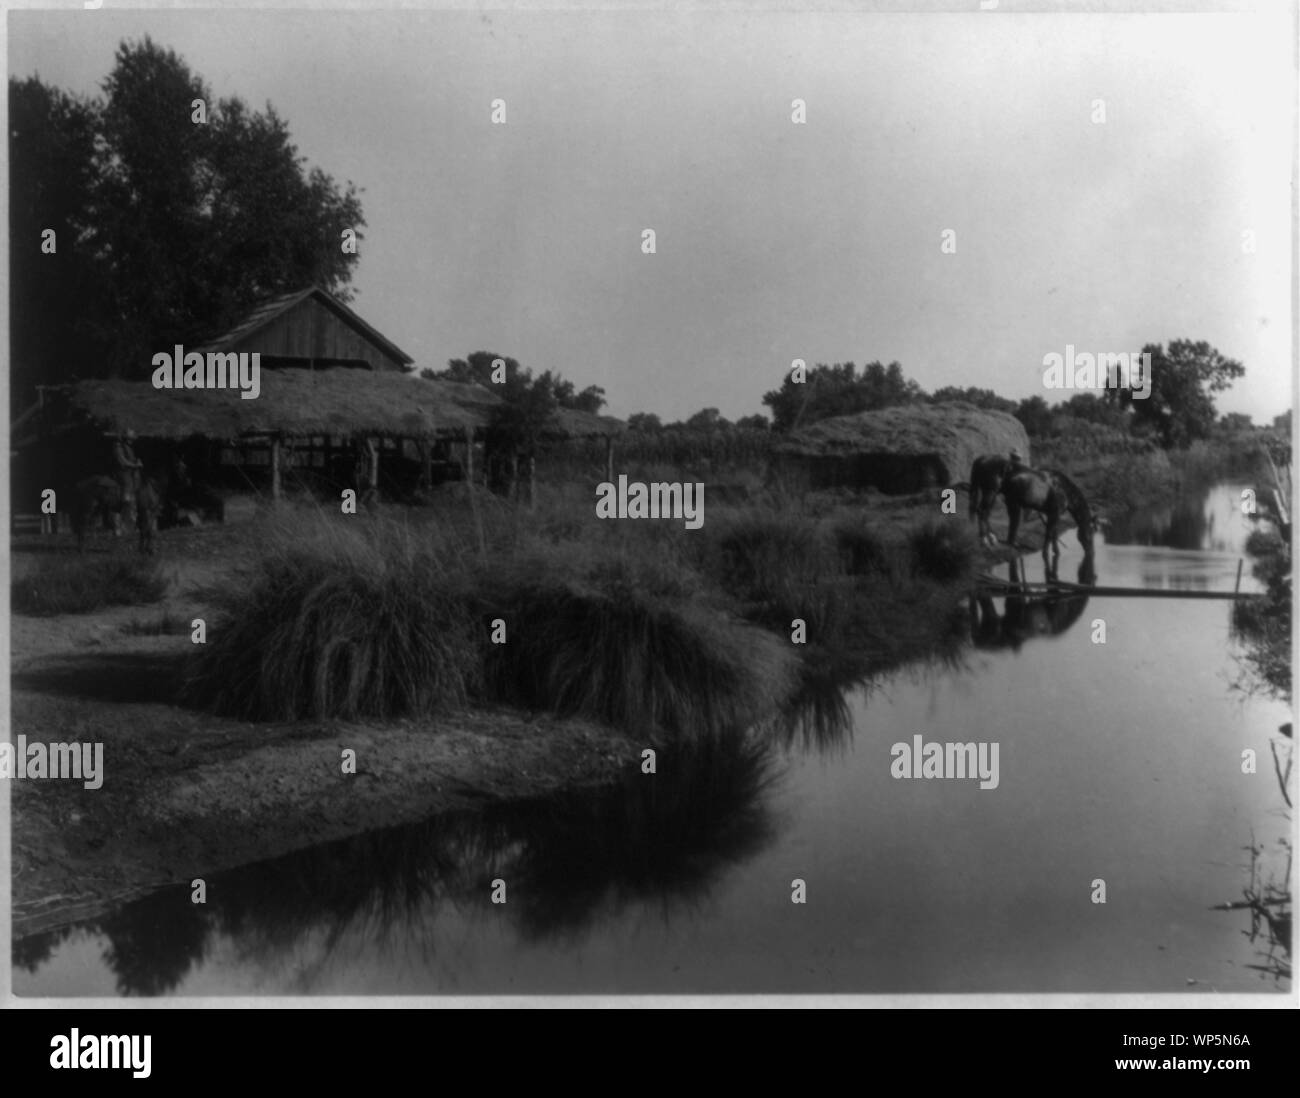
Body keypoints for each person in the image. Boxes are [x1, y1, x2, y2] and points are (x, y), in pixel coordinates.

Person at [112, 429, 144, 505]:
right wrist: (135, 465)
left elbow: (131, 458)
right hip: (122, 471)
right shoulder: (118, 447)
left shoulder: (129, 447)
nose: (131, 441)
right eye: (130, 439)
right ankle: (125, 503)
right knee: (128, 482)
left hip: (130, 470)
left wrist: (138, 461)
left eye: (132, 439)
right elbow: (122, 461)